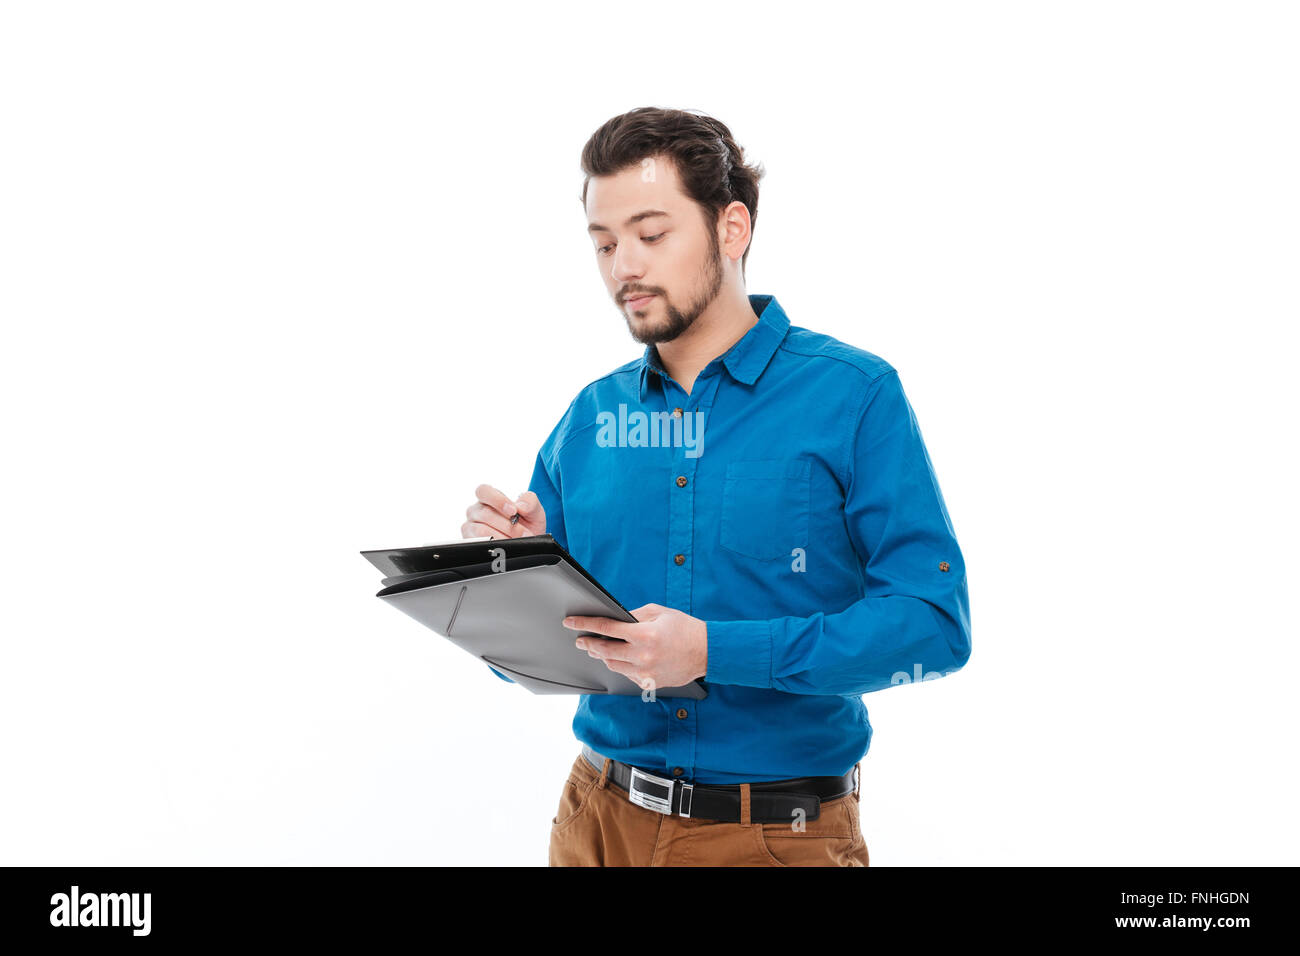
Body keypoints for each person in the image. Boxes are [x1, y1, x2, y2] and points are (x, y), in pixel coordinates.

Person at [462, 107, 971, 866]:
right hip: (594, 822)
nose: (622, 267)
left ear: (732, 229)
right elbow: (526, 659)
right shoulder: (591, 419)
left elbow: (933, 625)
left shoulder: (854, 396)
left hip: (771, 840)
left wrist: (711, 651)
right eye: (603, 244)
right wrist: (505, 576)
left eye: (651, 234)